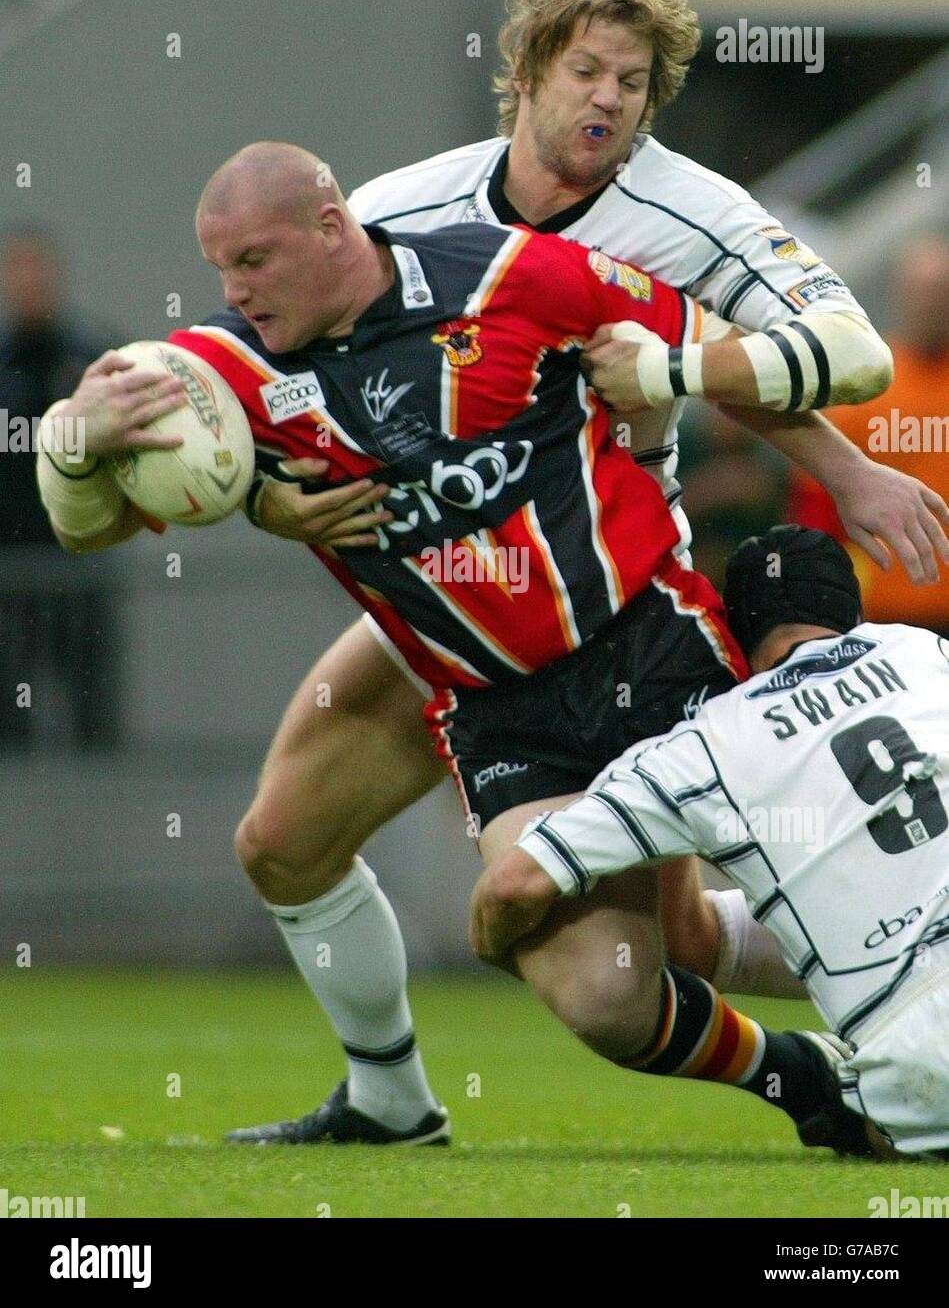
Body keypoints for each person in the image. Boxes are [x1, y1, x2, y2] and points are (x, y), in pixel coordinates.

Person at [213, 0, 948, 1144]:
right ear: (526, 74)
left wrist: (838, 462)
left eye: (633, 80)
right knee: (281, 842)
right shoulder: (398, 214)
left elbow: (817, 348)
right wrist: (265, 501)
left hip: (612, 595)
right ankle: (392, 1106)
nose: (607, 97)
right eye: (586, 69)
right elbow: (261, 394)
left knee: (659, 953)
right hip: (437, 605)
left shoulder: (688, 212)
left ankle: (849, 1061)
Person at [37, 144, 887, 1153]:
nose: (233, 290)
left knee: (822, 882)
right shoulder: (222, 375)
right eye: (219, 265)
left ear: (328, 226)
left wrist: (823, 455)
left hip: (649, 647)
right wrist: (75, 443)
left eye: (254, 260)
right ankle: (799, 1076)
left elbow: (734, 354)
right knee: (606, 996)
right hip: (498, 712)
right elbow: (90, 527)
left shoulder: (509, 273)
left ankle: (910, 1038)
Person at [472, 525, 949, 1159]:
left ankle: (821, 1091)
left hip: (920, 1065)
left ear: (736, 640)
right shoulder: (925, 654)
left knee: (879, 1118)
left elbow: (515, 884)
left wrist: (491, 944)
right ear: (853, 610)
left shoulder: (702, 743)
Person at [790, 234, 949, 636]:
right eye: (923, 290)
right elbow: (817, 512)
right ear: (900, 293)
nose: (932, 302)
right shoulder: (863, 387)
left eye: (942, 290)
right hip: (890, 615)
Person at [0, 224, 121, 746]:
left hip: (78, 561)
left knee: (90, 701)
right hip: (9, 567)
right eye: (16, 271)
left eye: (37, 270)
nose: (28, 283)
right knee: (9, 712)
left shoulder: (91, 359)